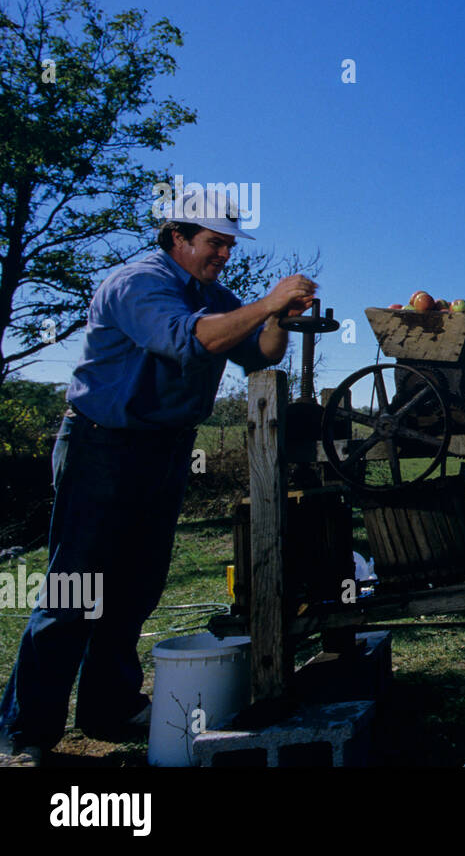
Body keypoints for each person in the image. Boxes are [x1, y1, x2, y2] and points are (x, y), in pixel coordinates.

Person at [0, 188, 316, 766]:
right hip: (103, 444)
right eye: (214, 243)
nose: (223, 254)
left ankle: (108, 708)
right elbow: (189, 341)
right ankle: (22, 734)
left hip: (164, 450)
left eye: (227, 245)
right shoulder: (138, 282)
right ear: (177, 237)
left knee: (135, 590)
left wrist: (279, 318)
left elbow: (260, 355)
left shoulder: (212, 295)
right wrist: (266, 299)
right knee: (75, 591)